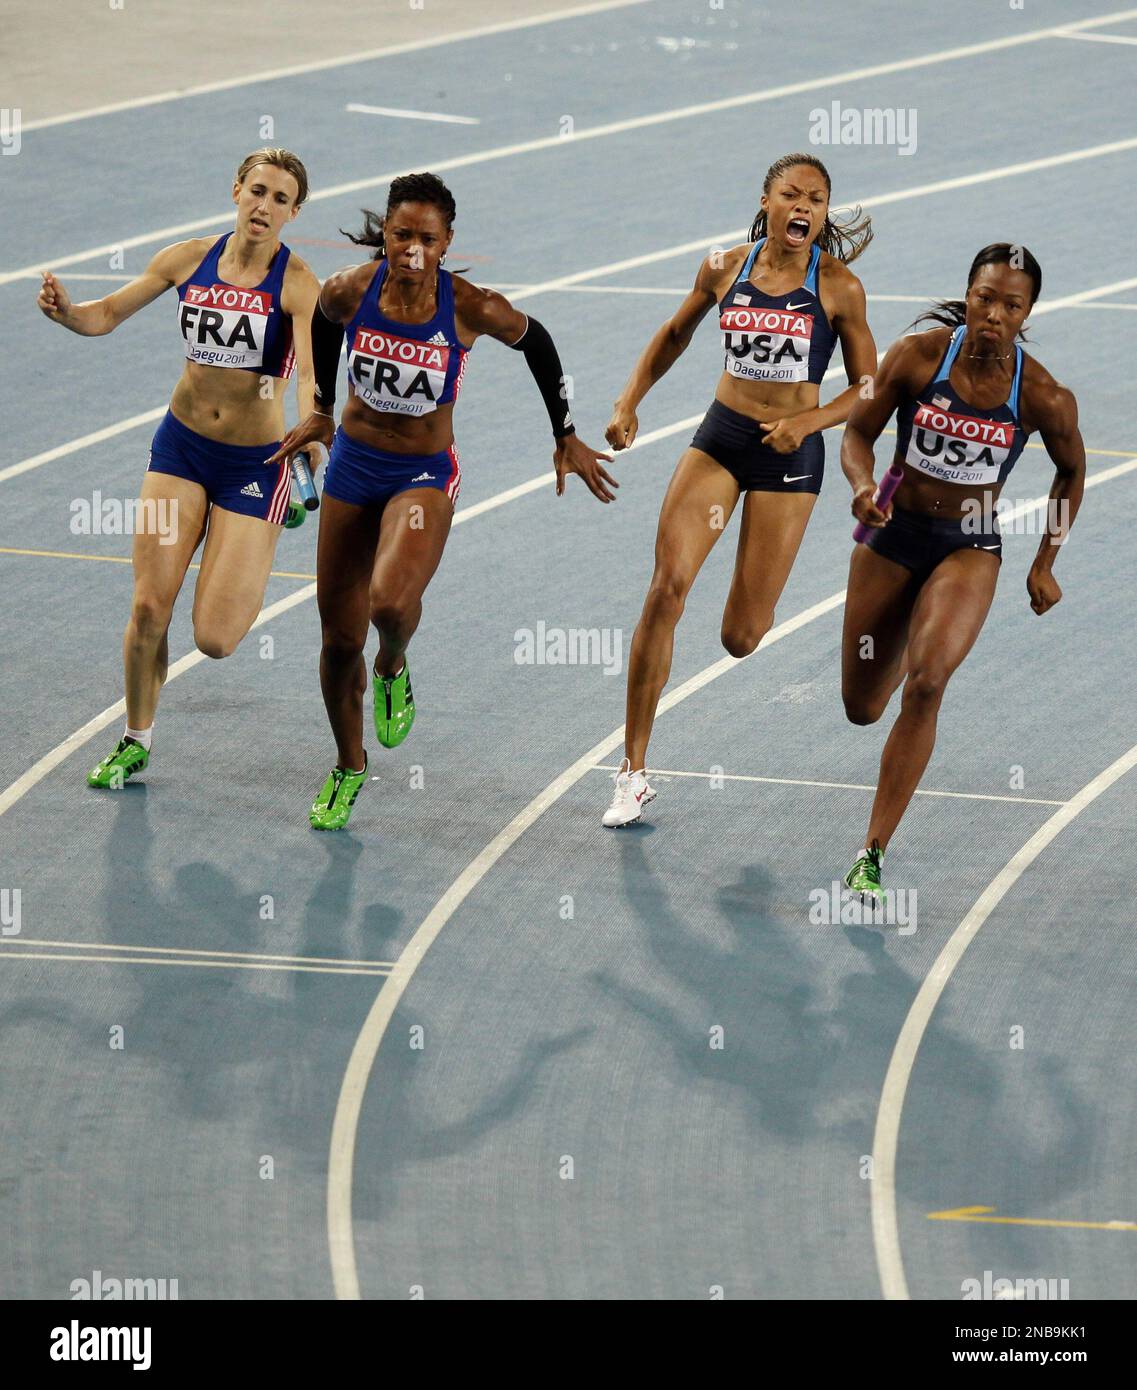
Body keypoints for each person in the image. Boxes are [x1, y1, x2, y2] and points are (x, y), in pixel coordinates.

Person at [267, 172, 616, 830]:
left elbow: (536, 341)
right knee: (337, 640)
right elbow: (321, 322)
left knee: (390, 604)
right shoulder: (352, 290)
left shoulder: (471, 307)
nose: (413, 250)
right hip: (353, 467)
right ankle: (348, 766)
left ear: (447, 241)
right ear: (387, 236)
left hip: (422, 473)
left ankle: (393, 662)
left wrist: (564, 433)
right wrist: (316, 410)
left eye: (427, 239)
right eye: (402, 235)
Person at [601, 152, 877, 826]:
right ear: (766, 201)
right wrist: (628, 400)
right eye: (791, 194)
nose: (803, 207)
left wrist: (804, 423)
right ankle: (632, 770)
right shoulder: (723, 267)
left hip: (788, 459)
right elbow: (673, 333)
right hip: (721, 439)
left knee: (741, 636)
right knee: (666, 588)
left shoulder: (839, 287)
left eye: (815, 198)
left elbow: (869, 389)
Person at [37, 147, 322, 788]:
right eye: (257, 190)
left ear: (293, 212)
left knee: (216, 639)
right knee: (146, 607)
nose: (264, 205)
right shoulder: (186, 260)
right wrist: (67, 312)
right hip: (182, 450)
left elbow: (308, 374)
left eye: (280, 199)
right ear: (236, 192)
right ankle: (136, 738)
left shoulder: (299, 282)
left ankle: (260, 525)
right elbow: (104, 316)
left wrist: (310, 430)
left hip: (256, 462)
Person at [839, 243, 1085, 902]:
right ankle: (900, 638)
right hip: (891, 535)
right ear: (967, 294)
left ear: (1028, 311)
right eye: (984, 297)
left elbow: (1071, 472)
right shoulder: (917, 358)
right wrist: (863, 485)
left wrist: (1044, 560)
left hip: (969, 543)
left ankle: (870, 853)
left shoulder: (1041, 395)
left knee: (928, 682)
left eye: (1011, 304)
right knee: (862, 707)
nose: (994, 314)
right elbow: (857, 432)